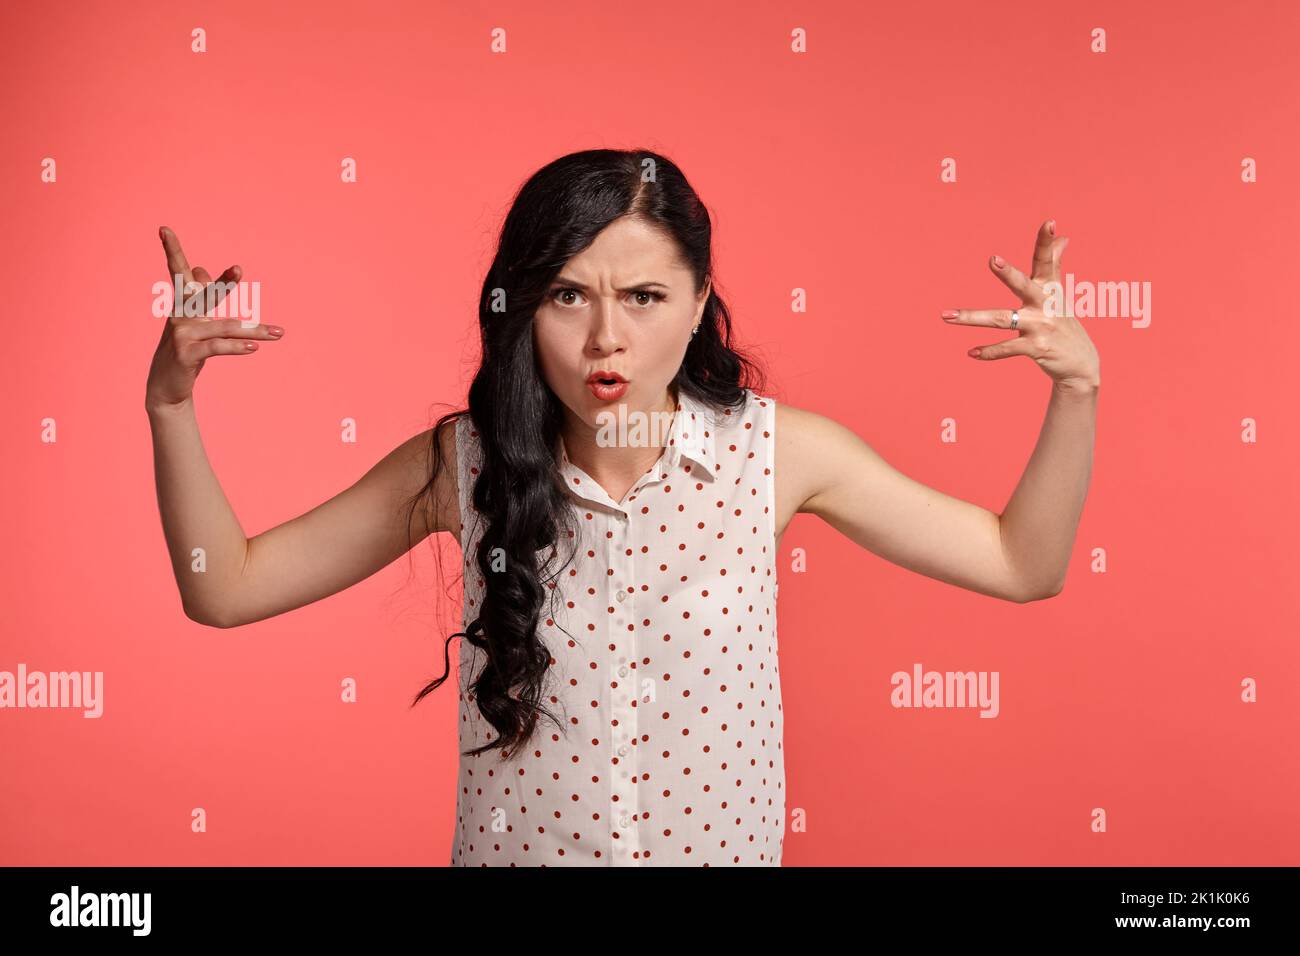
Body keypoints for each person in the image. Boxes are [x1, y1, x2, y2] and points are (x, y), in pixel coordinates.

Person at [145, 148, 1100, 867]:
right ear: (521, 307)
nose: (608, 337)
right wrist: (172, 406)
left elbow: (1025, 565)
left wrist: (1077, 394)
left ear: (698, 304)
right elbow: (225, 589)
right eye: (569, 295)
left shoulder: (779, 453)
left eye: (645, 296)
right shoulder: (462, 463)